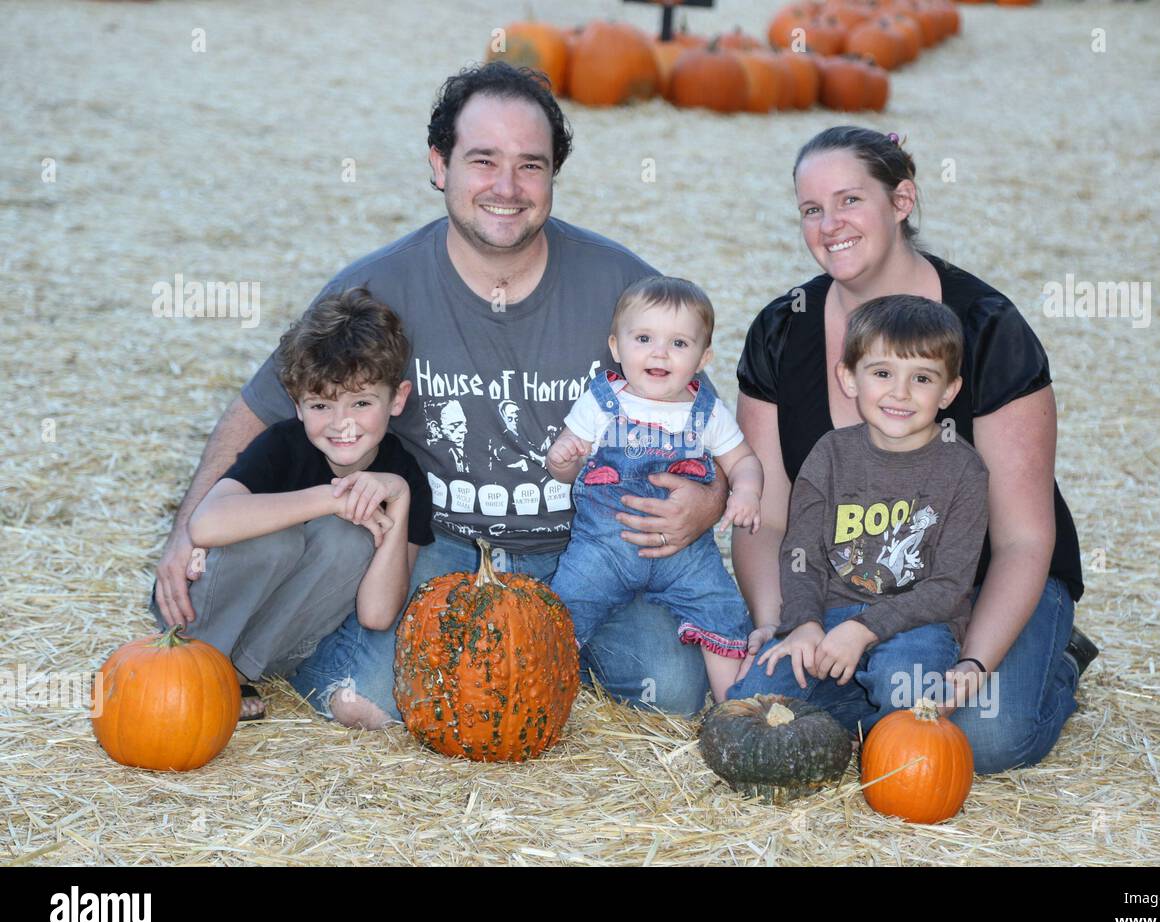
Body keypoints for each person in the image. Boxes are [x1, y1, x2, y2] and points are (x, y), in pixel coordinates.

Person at [149, 62, 726, 729]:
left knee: (674, 688)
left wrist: (707, 500)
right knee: (373, 700)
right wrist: (182, 537)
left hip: (588, 548)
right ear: (438, 165)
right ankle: (304, 652)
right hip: (436, 545)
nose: (507, 187)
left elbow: (702, 419)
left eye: (530, 165)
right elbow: (260, 411)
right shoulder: (376, 287)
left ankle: (551, 651)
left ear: (552, 178)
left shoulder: (623, 287)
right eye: (483, 160)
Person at [731, 127, 1097, 774]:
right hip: (847, 584)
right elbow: (772, 516)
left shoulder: (985, 328)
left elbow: (1022, 541)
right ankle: (867, 698)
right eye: (811, 210)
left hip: (982, 579)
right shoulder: (781, 329)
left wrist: (973, 661)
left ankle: (1054, 659)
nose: (829, 225)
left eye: (849, 201)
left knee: (983, 735)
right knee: (765, 714)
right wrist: (783, 623)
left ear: (902, 201)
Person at [148, 288, 432, 719]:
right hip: (206, 609)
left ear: (397, 398)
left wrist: (401, 500)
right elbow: (206, 526)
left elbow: (377, 615)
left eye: (361, 402)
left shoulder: (403, 475)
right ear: (297, 404)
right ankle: (197, 662)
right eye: (321, 404)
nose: (343, 424)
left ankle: (235, 673)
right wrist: (327, 498)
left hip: (273, 642)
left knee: (350, 540)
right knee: (276, 539)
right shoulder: (282, 444)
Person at [729, 294, 987, 734]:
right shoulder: (829, 455)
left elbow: (949, 586)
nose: (900, 392)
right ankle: (850, 717)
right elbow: (801, 556)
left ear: (949, 391)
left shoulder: (962, 469)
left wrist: (866, 629)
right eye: (882, 373)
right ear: (849, 379)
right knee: (750, 704)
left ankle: (873, 722)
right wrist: (805, 624)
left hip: (917, 625)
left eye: (922, 378)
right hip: (830, 613)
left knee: (898, 685)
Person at [546, 277, 764, 704]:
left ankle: (733, 709)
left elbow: (744, 461)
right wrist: (564, 458)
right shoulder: (602, 402)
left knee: (722, 611)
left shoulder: (707, 413)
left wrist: (747, 491)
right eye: (643, 338)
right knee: (564, 611)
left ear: (704, 358)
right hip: (604, 548)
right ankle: (542, 692)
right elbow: (566, 472)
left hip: (684, 555)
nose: (660, 352)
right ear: (616, 346)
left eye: (679, 343)